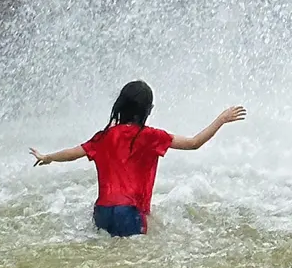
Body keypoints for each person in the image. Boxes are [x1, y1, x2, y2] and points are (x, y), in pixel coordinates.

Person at [32, 79, 245, 236]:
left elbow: (73, 153)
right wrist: (221, 119)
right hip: (130, 213)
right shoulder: (151, 137)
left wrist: (48, 157)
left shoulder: (104, 137)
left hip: (102, 212)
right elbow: (194, 143)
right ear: (148, 110)